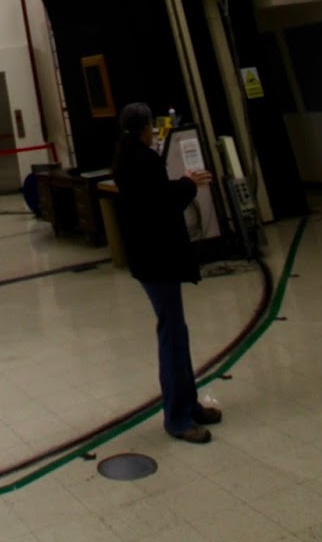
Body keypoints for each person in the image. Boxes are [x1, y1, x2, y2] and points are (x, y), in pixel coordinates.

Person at [112, 101, 221, 445]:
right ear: (146, 128)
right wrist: (188, 183)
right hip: (156, 258)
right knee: (172, 335)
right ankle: (177, 417)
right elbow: (160, 202)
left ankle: (188, 405)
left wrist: (180, 185)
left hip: (150, 258)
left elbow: (151, 196)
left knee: (176, 331)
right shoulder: (142, 160)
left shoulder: (127, 157)